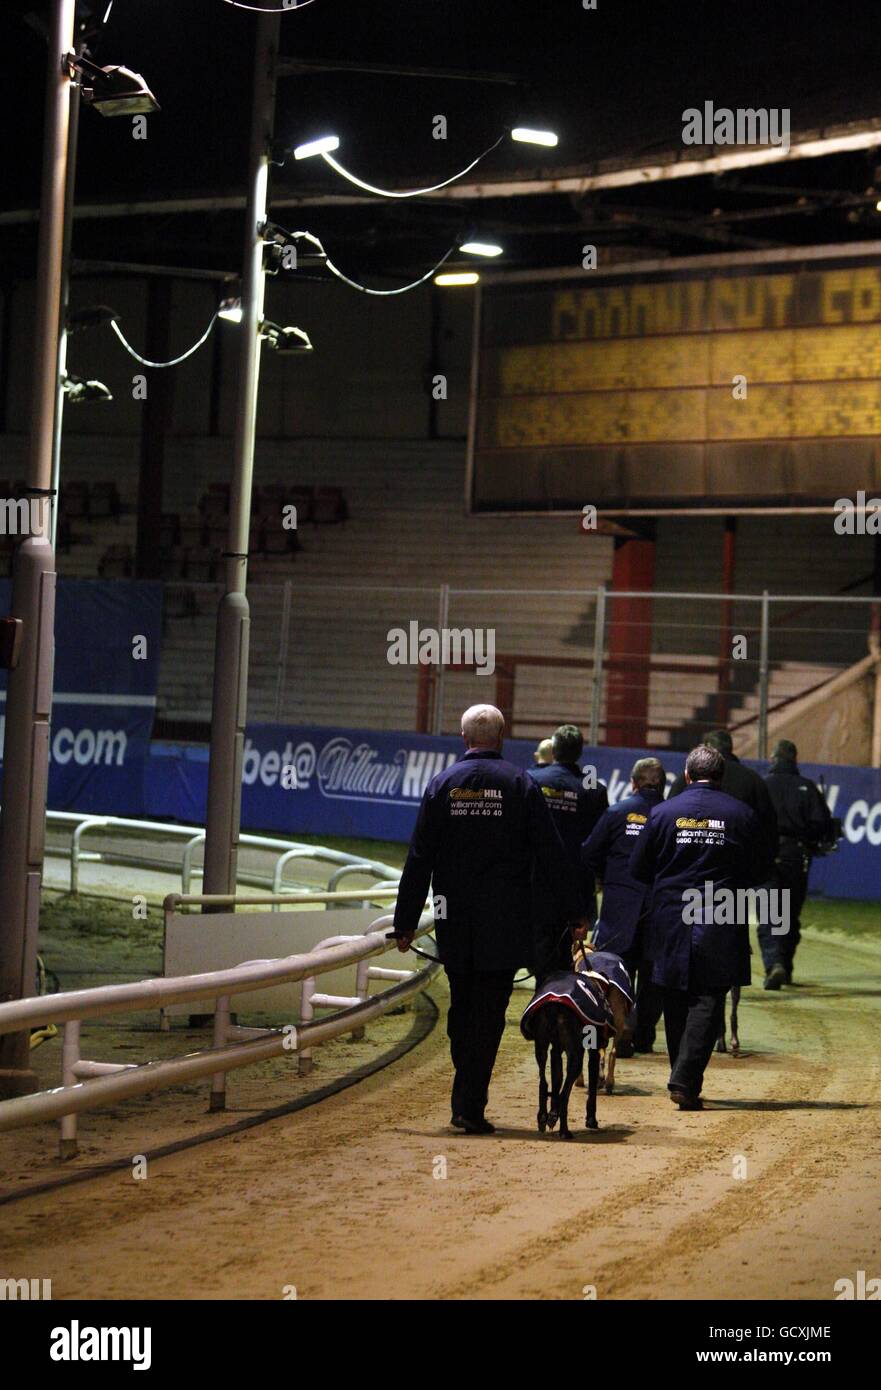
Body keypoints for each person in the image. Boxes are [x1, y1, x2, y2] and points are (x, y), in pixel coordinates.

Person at [391, 703, 589, 1134]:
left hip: (455, 919)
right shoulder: (520, 783)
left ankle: (466, 1097)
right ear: (501, 738)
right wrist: (576, 912)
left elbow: (419, 857)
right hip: (506, 919)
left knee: (462, 1007)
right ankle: (469, 1102)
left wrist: (405, 922)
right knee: (489, 1012)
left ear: (465, 739)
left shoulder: (442, 784)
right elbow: (552, 855)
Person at [630, 744, 772, 1110]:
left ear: (688, 776)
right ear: (721, 778)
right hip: (720, 915)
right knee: (708, 997)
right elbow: (759, 871)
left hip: (670, 917)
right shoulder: (741, 814)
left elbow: (639, 869)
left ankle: (684, 1078)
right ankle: (685, 1078)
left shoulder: (662, 813)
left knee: (675, 996)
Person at [581, 756, 666, 1054]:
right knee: (654, 976)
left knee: (616, 972)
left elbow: (589, 852)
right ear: (663, 784)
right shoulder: (672, 816)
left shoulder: (616, 812)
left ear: (633, 783)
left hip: (619, 909)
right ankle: (643, 1034)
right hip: (659, 910)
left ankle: (620, 1031)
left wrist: (605, 878)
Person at [529, 723, 608, 966]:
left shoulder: (531, 780)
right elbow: (600, 841)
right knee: (564, 954)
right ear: (580, 752)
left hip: (534, 881)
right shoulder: (594, 788)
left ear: (554, 751)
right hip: (575, 886)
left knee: (535, 945)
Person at [759, 738, 833, 990]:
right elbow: (822, 824)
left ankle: (774, 963)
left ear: (773, 759)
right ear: (794, 759)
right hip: (796, 856)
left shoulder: (763, 785)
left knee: (770, 913)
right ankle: (785, 967)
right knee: (789, 914)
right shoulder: (807, 787)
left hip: (767, 854)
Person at [668, 729, 779, 854]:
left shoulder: (689, 777)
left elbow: (669, 818)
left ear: (708, 748)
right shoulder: (753, 780)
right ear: (730, 748)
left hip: (689, 856)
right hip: (736, 860)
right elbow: (768, 826)